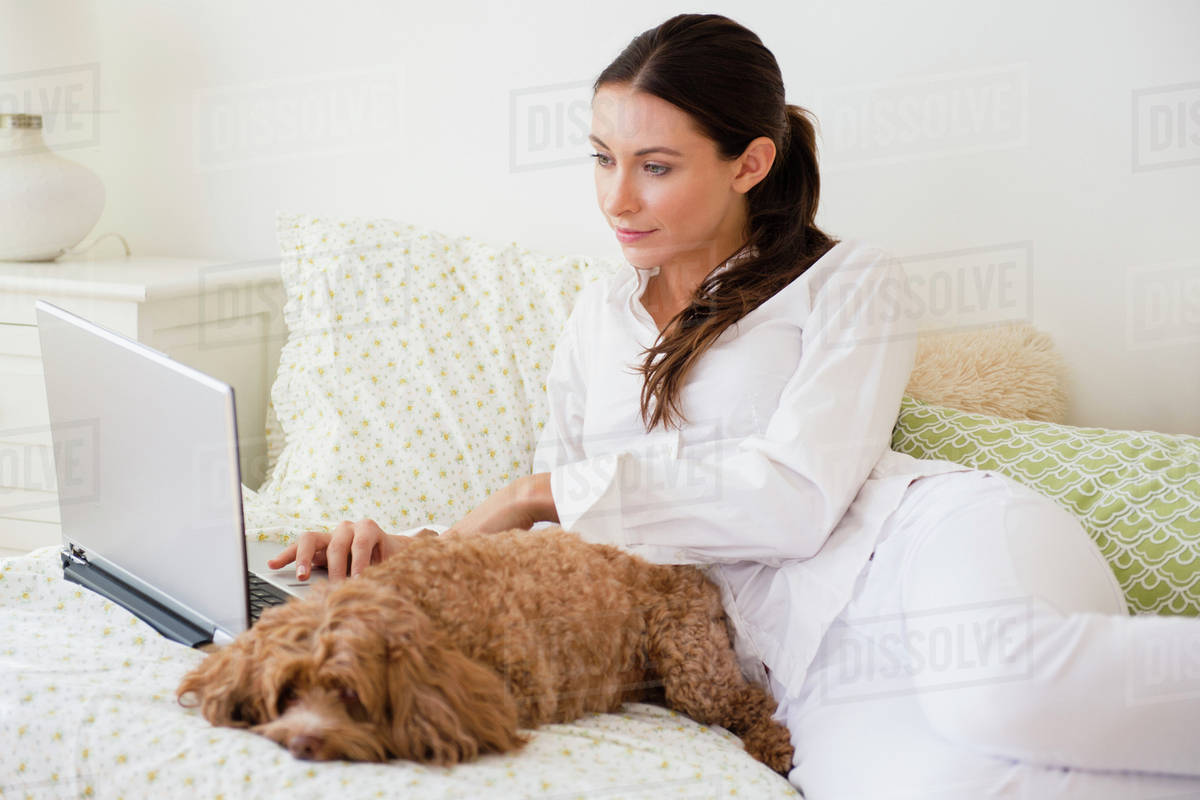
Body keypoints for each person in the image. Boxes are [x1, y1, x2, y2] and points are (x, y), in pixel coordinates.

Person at [270, 13, 1200, 798]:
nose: (616, 198)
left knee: (1005, 696)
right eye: (602, 159)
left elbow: (796, 500)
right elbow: (564, 554)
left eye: (656, 166)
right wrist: (405, 556)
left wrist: (542, 490)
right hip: (799, 664)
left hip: (924, 549)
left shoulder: (849, 281)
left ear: (751, 163)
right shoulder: (597, 317)